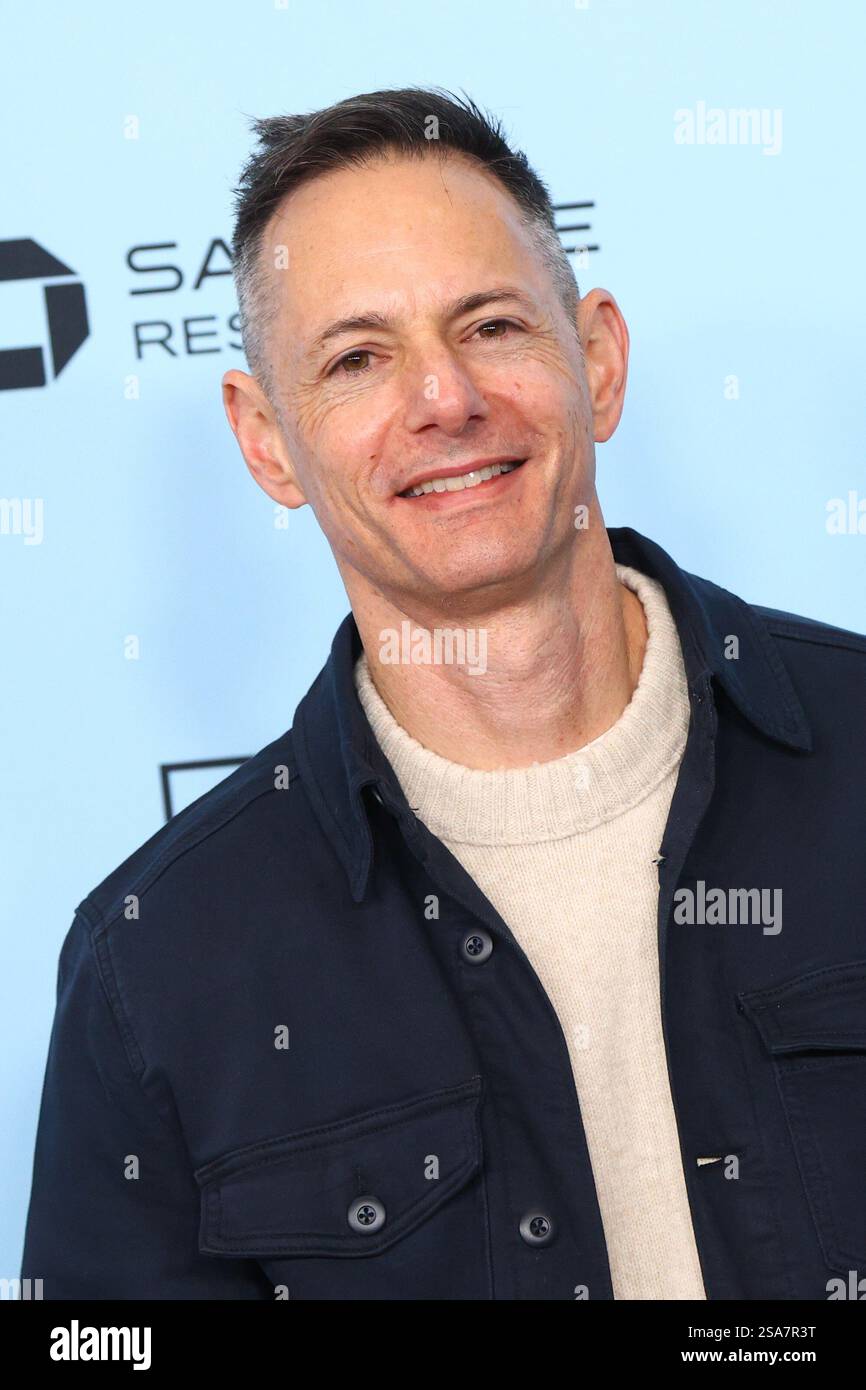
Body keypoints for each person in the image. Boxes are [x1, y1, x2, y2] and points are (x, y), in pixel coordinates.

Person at [21, 87, 866, 1300]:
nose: (443, 401)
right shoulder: (157, 970)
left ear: (600, 359)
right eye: (358, 357)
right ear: (267, 442)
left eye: (490, 327)